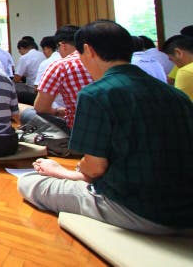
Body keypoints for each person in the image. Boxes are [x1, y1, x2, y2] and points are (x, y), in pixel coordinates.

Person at [18, 20, 193, 234]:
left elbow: (95, 168)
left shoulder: (96, 94)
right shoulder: (177, 95)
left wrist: (63, 171)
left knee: (29, 183)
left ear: (88, 51)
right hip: (185, 207)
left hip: (137, 208)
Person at [20, 25, 93, 133]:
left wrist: (56, 111)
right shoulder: (98, 61)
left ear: (62, 45)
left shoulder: (60, 65)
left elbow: (40, 108)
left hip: (75, 129)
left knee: (23, 109)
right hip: (103, 125)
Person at [162, 34, 193, 100]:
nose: (176, 66)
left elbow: (183, 106)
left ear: (178, 53)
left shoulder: (185, 72)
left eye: (171, 59)